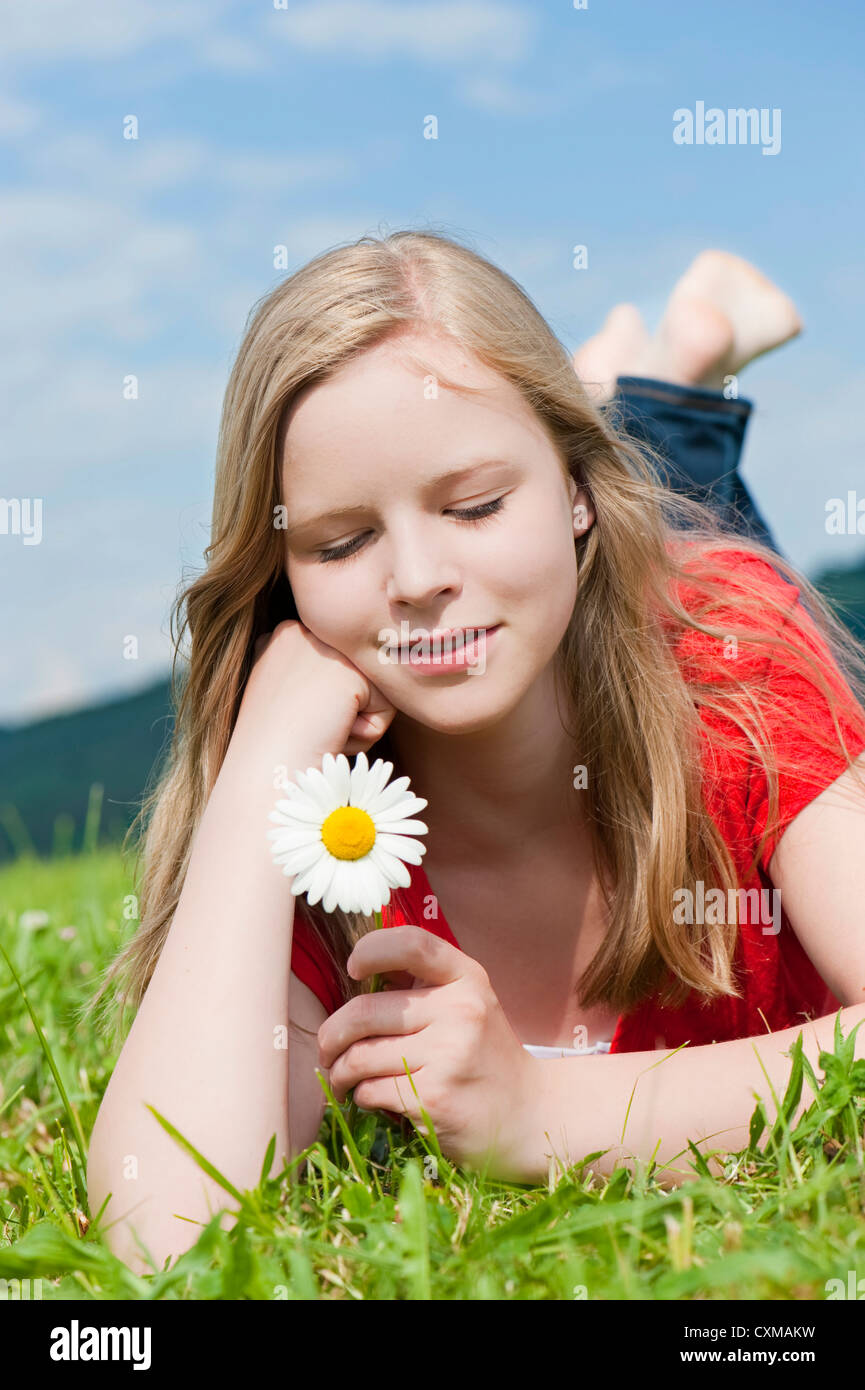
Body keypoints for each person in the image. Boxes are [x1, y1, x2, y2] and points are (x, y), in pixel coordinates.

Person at [85, 230, 865, 1276]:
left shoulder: (734, 663)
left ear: (574, 487)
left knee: (696, 530)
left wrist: (545, 1108)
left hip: (655, 620)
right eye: (338, 542)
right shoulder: (326, 832)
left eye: (473, 504)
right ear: (281, 579)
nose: (414, 575)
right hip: (564, 580)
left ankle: (661, 380)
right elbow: (158, 1230)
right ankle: (637, 379)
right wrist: (257, 772)